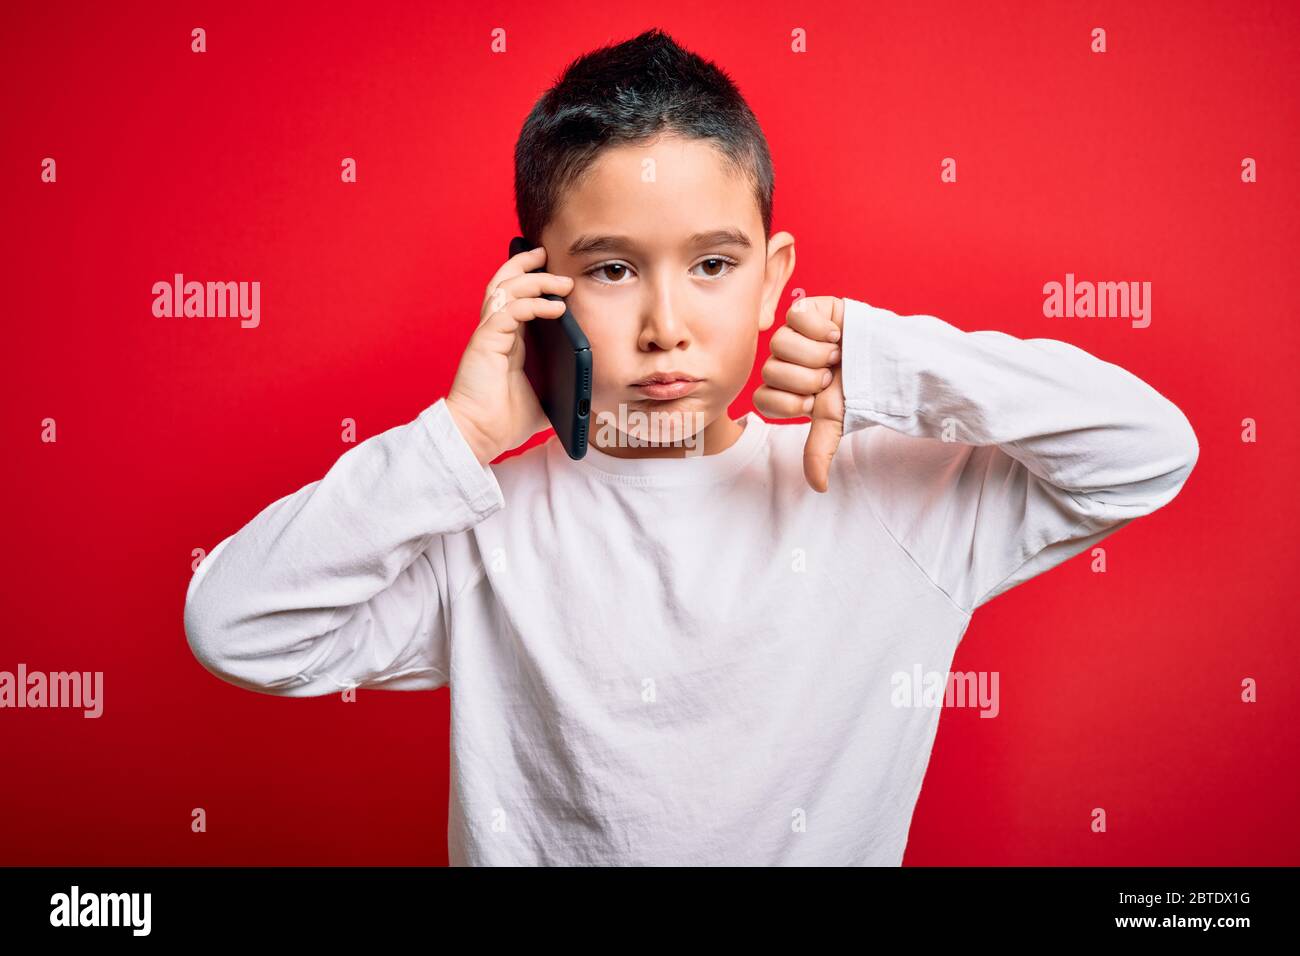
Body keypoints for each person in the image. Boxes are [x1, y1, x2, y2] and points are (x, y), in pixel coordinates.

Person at [183, 28, 1198, 865]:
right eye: (614, 268)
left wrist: (895, 363)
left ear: (772, 276)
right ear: (534, 287)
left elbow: (1147, 449)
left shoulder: (889, 501)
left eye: (713, 263)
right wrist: (464, 433)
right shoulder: (484, 523)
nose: (667, 322)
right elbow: (239, 626)